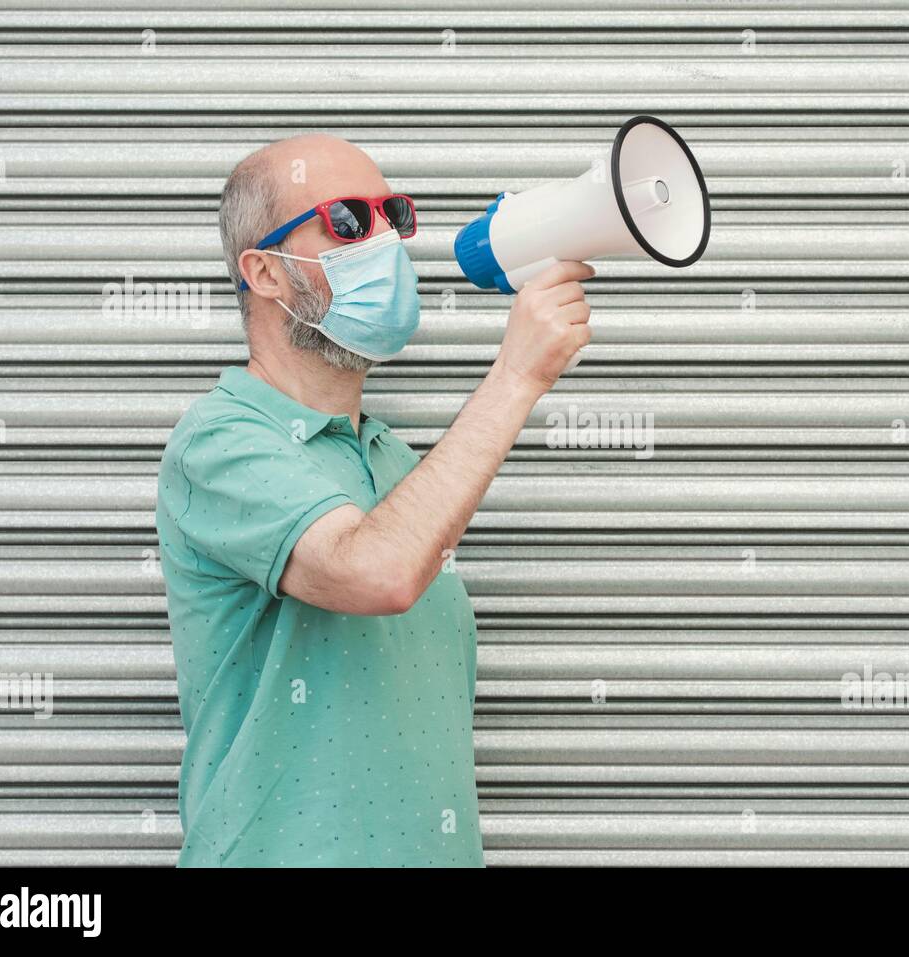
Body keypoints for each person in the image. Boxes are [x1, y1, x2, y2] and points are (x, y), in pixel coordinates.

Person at [154, 133, 593, 866]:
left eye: (393, 214)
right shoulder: (218, 442)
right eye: (349, 221)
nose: (386, 240)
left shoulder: (395, 462)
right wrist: (517, 376)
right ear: (263, 271)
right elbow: (374, 571)